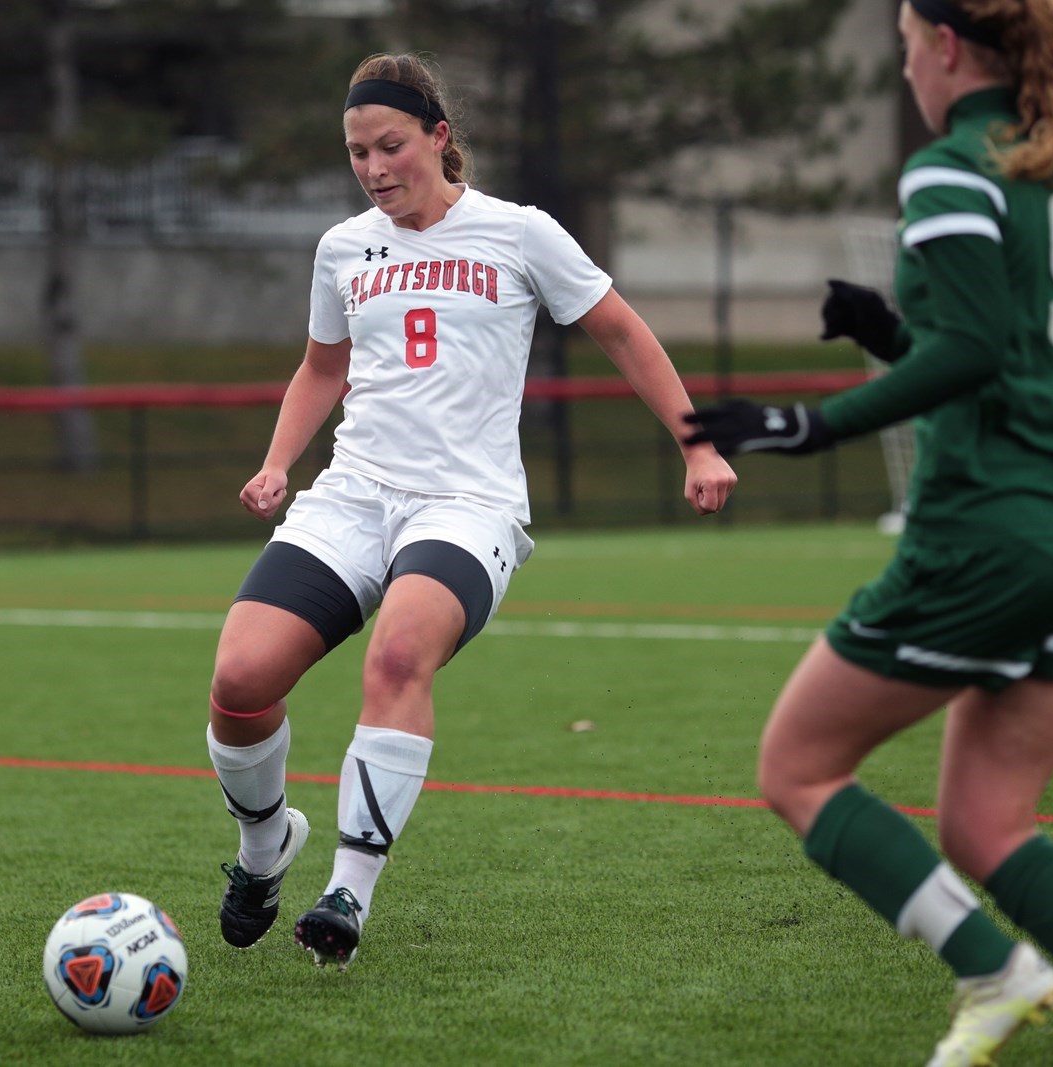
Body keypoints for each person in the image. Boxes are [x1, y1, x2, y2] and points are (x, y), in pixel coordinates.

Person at [206, 51, 737, 970]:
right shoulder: (342, 248)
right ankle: (265, 849)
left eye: (391, 146)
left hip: (468, 505)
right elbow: (323, 368)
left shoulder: (520, 234)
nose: (373, 169)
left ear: (439, 138)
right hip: (354, 496)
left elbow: (620, 329)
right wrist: (277, 462)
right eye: (357, 153)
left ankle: (348, 892)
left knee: (401, 651)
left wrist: (696, 441)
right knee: (241, 681)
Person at [683, 1, 1053, 1063]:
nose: (907, 70)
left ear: (940, 46)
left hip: (987, 530)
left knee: (796, 766)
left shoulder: (950, 167)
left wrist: (804, 423)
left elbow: (970, 354)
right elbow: (998, 347)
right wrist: (889, 331)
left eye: (901, 49)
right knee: (987, 825)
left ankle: (995, 970)